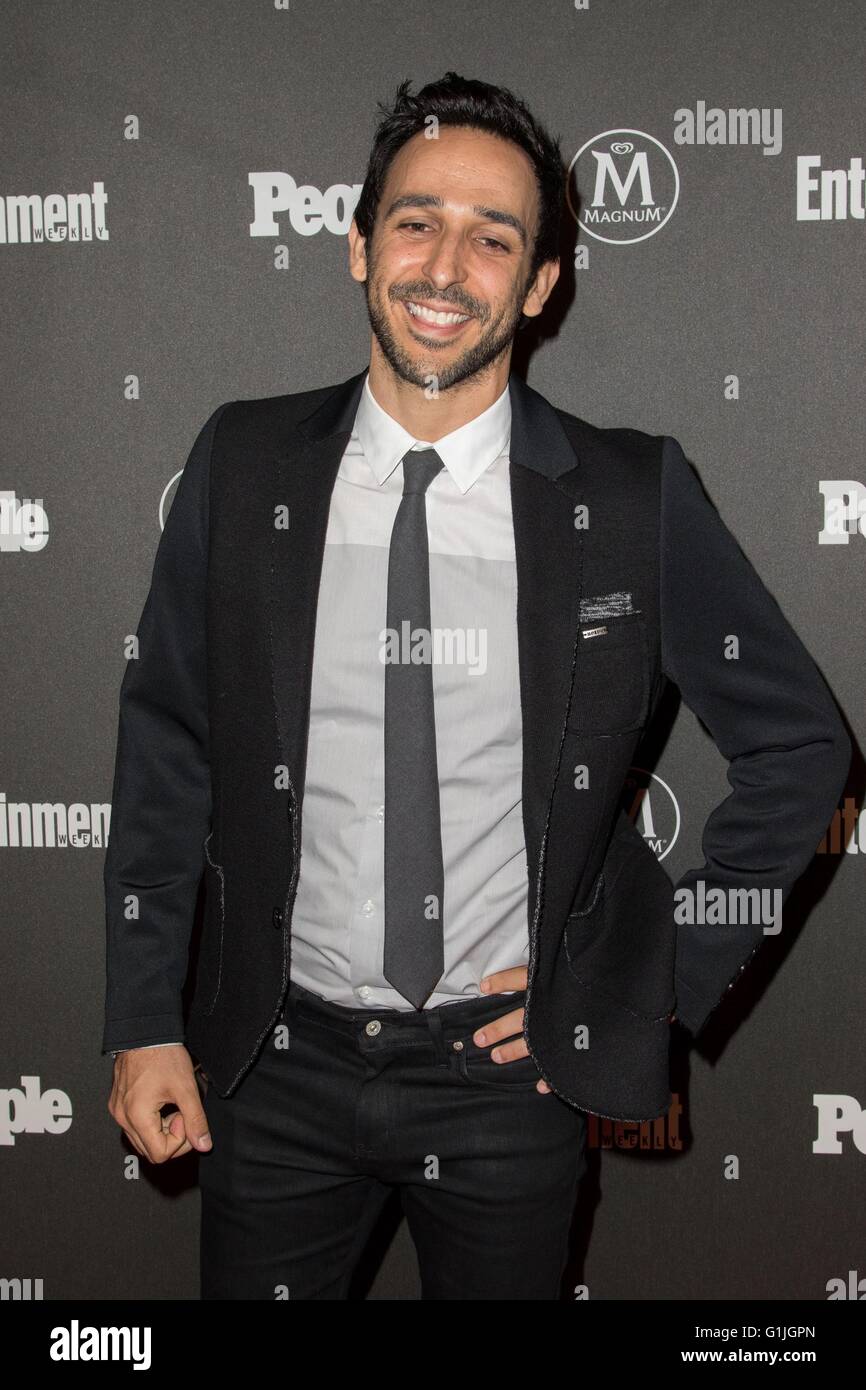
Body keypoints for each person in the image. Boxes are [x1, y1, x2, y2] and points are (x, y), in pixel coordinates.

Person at [104, 72, 850, 1300]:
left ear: (539, 282)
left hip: (507, 1081)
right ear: (356, 245)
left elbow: (802, 747)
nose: (446, 265)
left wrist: (645, 987)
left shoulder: (627, 495)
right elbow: (167, 745)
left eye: (493, 237)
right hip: (270, 1061)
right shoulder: (242, 465)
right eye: (415, 220)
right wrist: (142, 1018)